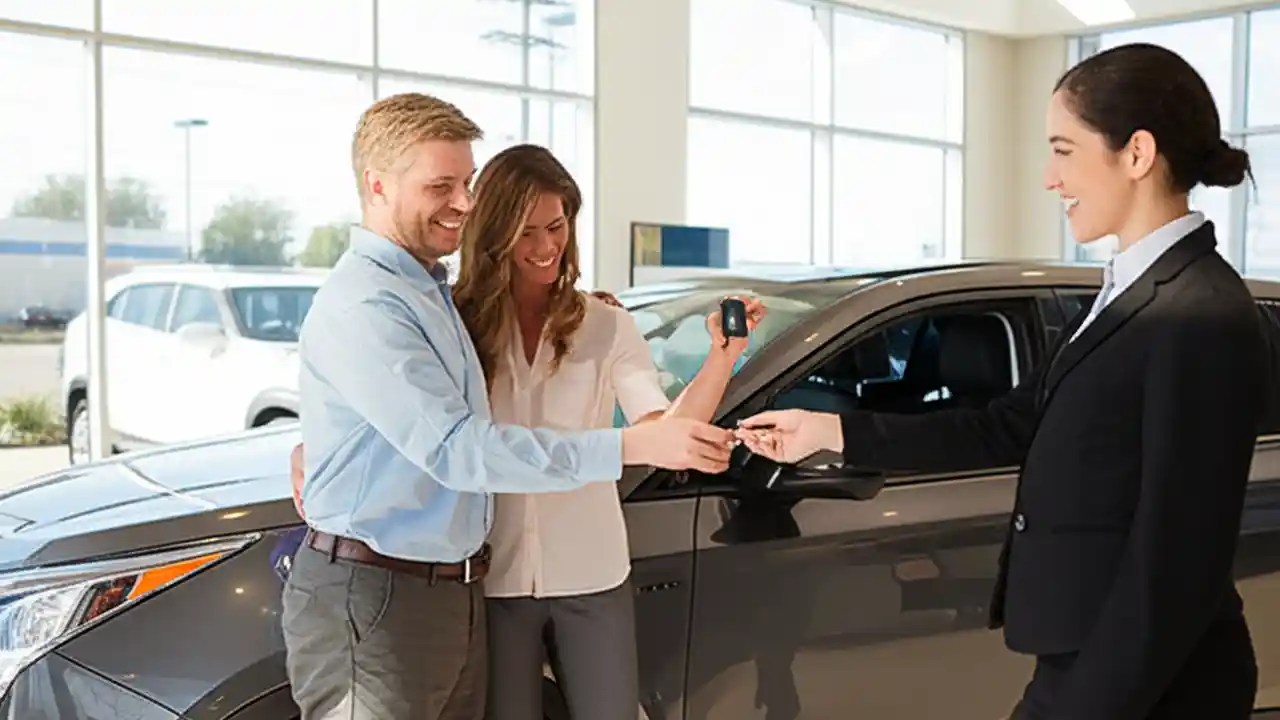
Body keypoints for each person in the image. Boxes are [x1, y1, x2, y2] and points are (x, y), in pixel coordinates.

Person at [737, 43, 1266, 720]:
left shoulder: (1201, 316)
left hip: (1145, 680)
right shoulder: (1131, 293)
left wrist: (1090, 704)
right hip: (1097, 656)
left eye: (1064, 150)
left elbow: (1175, 559)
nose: (1050, 178)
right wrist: (829, 430)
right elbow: (1014, 424)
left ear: (1136, 154)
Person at [282, 93, 735, 720]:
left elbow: (665, 428)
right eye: (444, 184)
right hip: (454, 584)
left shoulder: (445, 296)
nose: (462, 202)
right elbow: (449, 444)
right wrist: (318, 451)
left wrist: (720, 358)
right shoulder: (426, 309)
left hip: (518, 577)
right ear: (377, 185)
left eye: (467, 183)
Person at [443, 143, 764, 720]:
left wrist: (722, 356)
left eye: (557, 226)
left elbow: (666, 433)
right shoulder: (456, 324)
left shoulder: (606, 324)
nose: (545, 248)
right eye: (526, 233)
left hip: (592, 572)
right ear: (492, 234)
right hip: (493, 576)